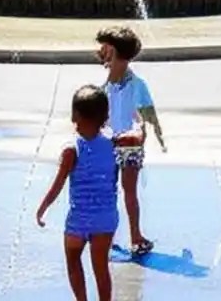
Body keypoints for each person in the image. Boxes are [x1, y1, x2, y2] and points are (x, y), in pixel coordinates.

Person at [35, 85, 143, 301]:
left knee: (73, 260)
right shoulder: (115, 145)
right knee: (101, 268)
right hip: (106, 219)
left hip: (79, 219)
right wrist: (139, 123)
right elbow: (136, 139)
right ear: (106, 117)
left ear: (75, 115)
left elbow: (57, 186)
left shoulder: (71, 150)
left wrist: (42, 208)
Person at [98, 26, 165, 257]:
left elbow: (142, 117)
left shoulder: (136, 85)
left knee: (128, 191)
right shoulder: (107, 85)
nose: (100, 51)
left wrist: (139, 132)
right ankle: (107, 235)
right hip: (109, 143)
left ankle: (135, 236)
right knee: (108, 192)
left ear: (116, 52)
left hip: (129, 146)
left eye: (105, 47)